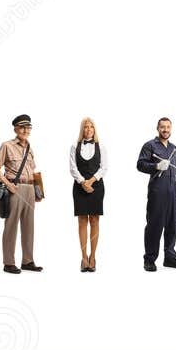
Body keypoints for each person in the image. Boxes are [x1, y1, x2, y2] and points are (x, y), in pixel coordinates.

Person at [0, 114, 43, 274]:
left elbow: (33, 172)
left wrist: (39, 191)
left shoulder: (30, 148)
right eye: (22, 127)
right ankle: (8, 263)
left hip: (30, 189)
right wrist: (8, 185)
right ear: (15, 129)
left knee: (29, 226)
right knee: (11, 226)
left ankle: (28, 261)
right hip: (14, 189)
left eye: (28, 127)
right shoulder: (6, 146)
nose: (26, 130)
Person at [137, 117, 176, 271]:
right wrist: (156, 166)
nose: (165, 130)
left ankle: (170, 258)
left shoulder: (173, 148)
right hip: (157, 191)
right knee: (155, 225)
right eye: (162, 127)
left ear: (171, 129)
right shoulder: (150, 145)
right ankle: (149, 259)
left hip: (173, 191)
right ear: (157, 128)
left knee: (172, 225)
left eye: (168, 127)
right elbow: (140, 164)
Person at [70, 117, 107, 273]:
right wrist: (83, 182)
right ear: (82, 129)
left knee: (95, 220)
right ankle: (84, 257)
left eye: (91, 127)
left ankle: (93, 257)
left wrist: (90, 181)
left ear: (94, 129)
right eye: (86, 127)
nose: (89, 129)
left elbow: (104, 167)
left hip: (96, 186)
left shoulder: (101, 146)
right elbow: (72, 168)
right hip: (79, 187)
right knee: (82, 221)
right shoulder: (74, 146)